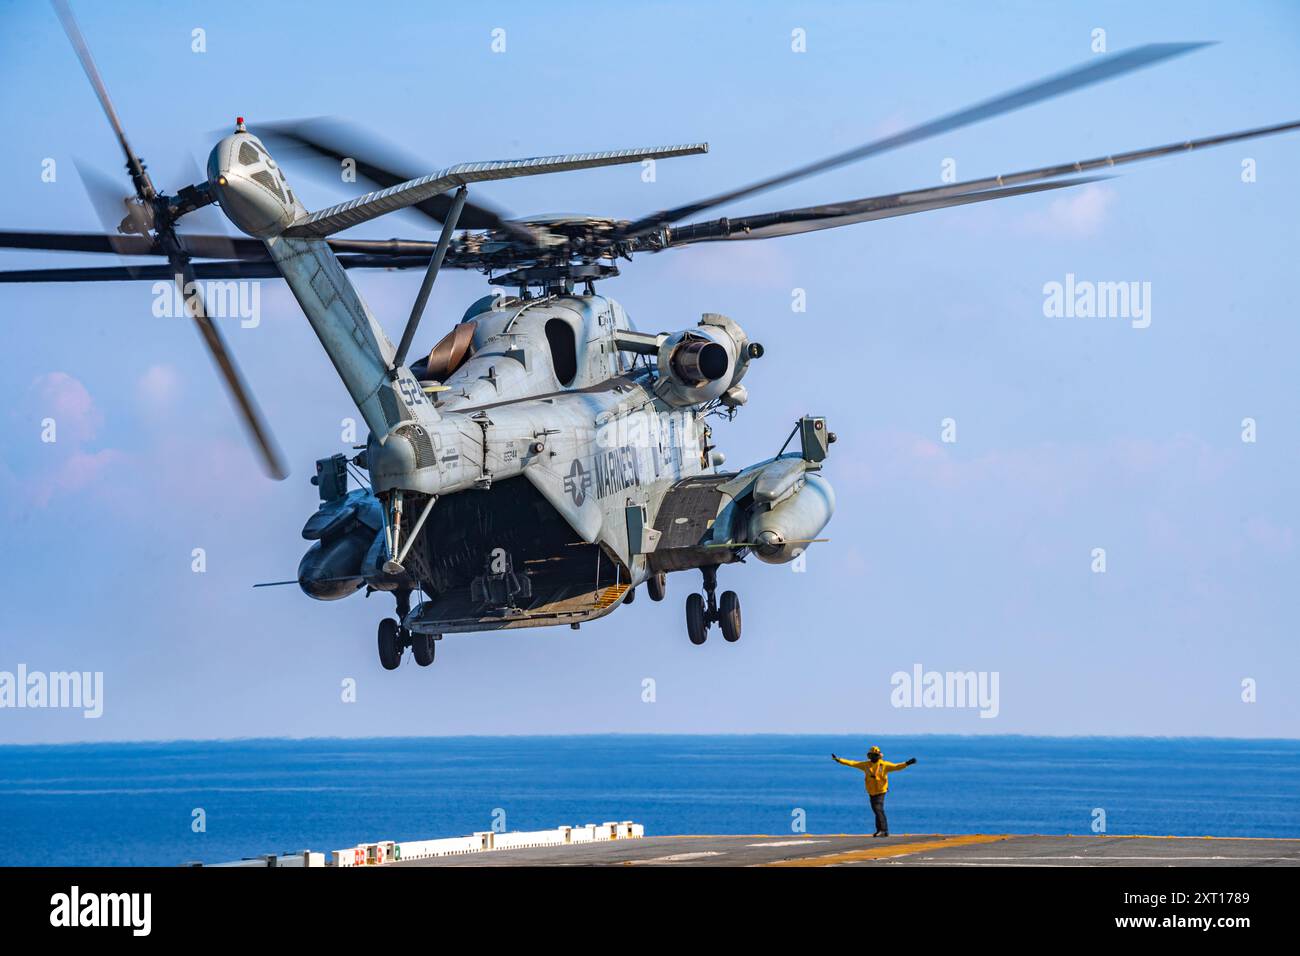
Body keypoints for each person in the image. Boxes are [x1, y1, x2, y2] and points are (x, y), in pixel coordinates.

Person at [832, 745, 917, 837]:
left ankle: (883, 830)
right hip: (871, 791)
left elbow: (897, 766)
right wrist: (839, 760)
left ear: (879, 756)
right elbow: (852, 763)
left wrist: (907, 763)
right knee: (877, 811)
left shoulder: (884, 765)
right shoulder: (865, 765)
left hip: (881, 791)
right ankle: (881, 831)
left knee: (878, 809)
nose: (872, 757)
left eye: (874, 755)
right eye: (871, 755)